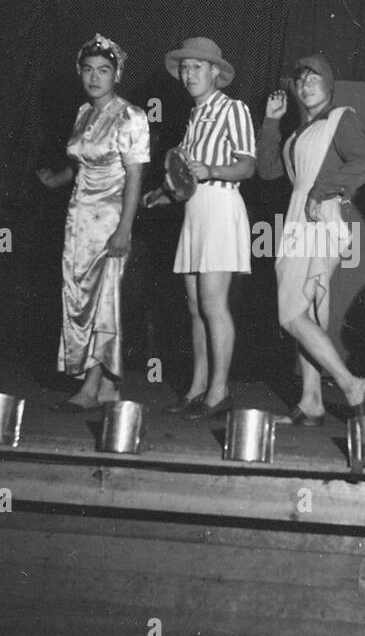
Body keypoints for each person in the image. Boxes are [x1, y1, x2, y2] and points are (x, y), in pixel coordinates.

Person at [256, 54, 365, 425]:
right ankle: (311, 400)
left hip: (318, 216)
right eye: (301, 81)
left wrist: (322, 190)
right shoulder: (297, 134)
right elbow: (268, 169)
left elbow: (364, 163)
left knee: (290, 312)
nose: (306, 86)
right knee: (304, 313)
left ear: (329, 85)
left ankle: (351, 385)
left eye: (314, 79)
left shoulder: (341, 118)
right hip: (297, 217)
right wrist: (272, 122)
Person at [142, 37, 255, 419]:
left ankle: (220, 392)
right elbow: (186, 177)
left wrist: (212, 171)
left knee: (213, 305)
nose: (189, 75)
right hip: (195, 213)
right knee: (194, 309)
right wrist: (164, 194)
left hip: (222, 210)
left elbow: (247, 165)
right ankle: (197, 388)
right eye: (185, 68)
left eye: (197, 68)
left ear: (215, 73)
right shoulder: (193, 117)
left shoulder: (233, 109)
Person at [38, 34, 150, 411]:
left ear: (116, 75)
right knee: (78, 297)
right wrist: (54, 180)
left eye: (103, 70)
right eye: (88, 70)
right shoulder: (84, 113)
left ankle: (92, 384)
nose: (95, 77)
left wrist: (124, 229)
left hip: (110, 220)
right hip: (78, 219)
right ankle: (103, 387)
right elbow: (81, 164)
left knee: (104, 300)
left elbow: (135, 177)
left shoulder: (130, 116)